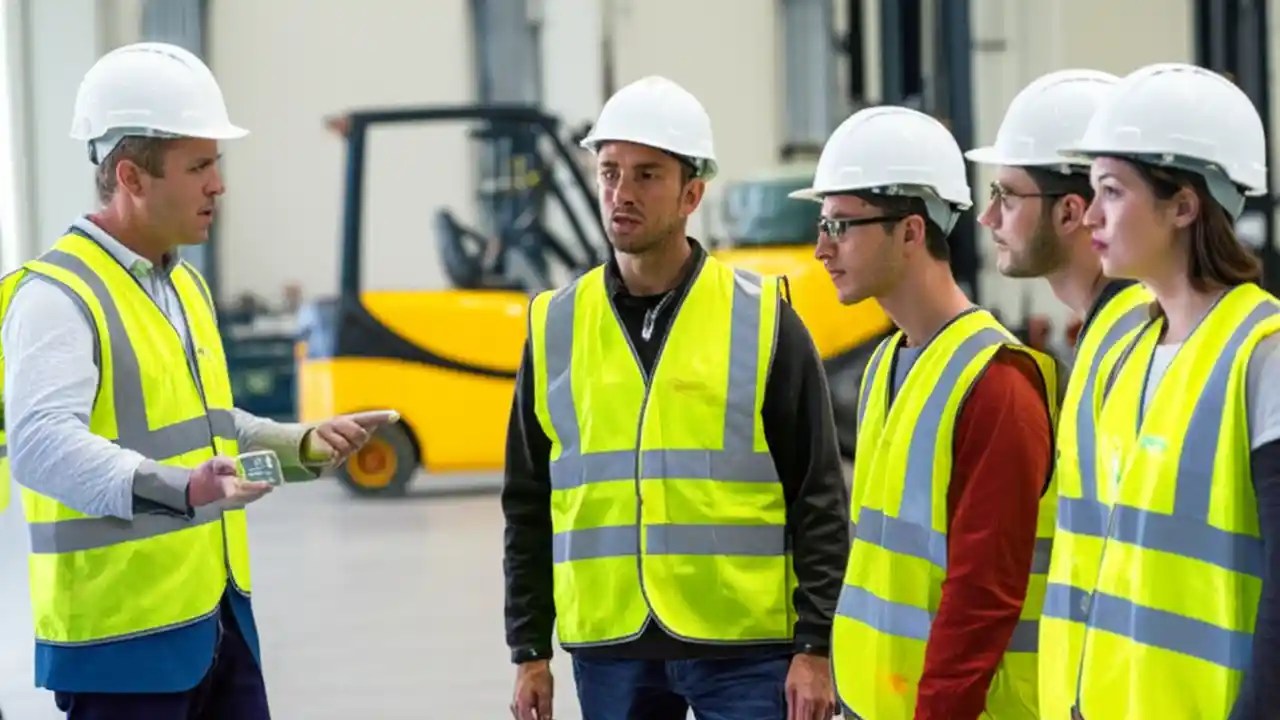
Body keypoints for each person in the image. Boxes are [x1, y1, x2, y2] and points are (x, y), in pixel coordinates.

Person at [0, 42, 397, 719]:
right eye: (200, 166)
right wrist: (181, 488)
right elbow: (39, 444)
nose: (219, 184)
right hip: (121, 643)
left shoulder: (182, 284)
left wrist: (301, 444)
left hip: (217, 621)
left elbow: (211, 423)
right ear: (131, 177)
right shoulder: (58, 297)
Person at [501, 75, 848, 720]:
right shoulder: (554, 325)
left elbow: (818, 494)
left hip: (744, 646)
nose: (621, 194)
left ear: (692, 192)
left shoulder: (764, 319)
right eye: (609, 173)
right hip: (609, 646)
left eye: (647, 175)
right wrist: (529, 648)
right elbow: (527, 501)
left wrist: (815, 645)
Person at [794, 105, 1059, 719]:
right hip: (874, 700)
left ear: (911, 232)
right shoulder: (886, 365)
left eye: (840, 225)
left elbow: (982, 597)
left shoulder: (997, 384)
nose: (820, 248)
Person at [1054, 61, 1280, 720]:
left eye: (1113, 192)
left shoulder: (1260, 352)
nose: (1090, 214)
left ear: (1183, 204)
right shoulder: (1127, 347)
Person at [962, 68, 1156, 715]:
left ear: (1072, 211)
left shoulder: (1135, 341)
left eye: (1007, 197)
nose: (988, 216)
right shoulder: (1109, 334)